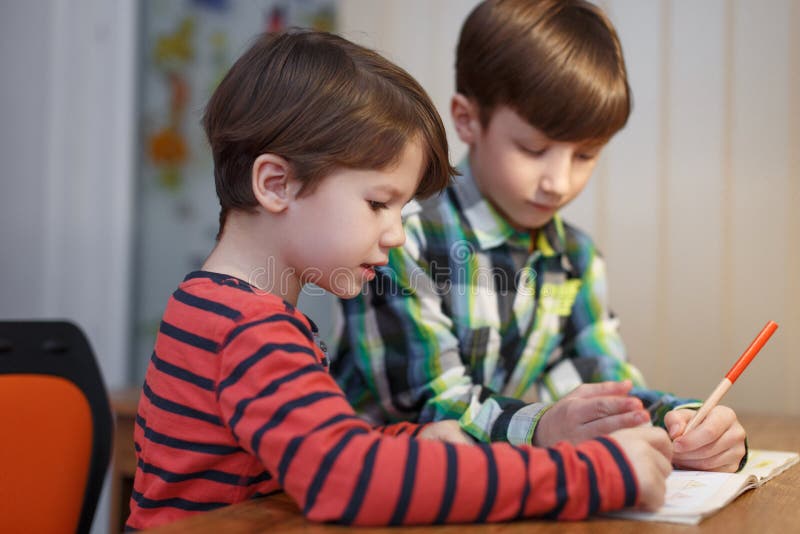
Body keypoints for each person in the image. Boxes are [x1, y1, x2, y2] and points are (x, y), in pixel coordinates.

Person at [126, 29, 674, 530]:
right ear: (276, 184)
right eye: (378, 203)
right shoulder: (248, 329)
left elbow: (313, 452)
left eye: (402, 207)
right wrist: (592, 473)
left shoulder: (222, 308)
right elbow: (346, 480)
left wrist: (410, 440)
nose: (394, 233)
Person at [333, 0, 746, 473]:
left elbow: (604, 389)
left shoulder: (575, 258)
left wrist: (683, 422)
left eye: (585, 156)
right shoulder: (400, 237)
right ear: (467, 120)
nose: (559, 181)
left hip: (475, 495)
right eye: (534, 149)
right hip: (367, 487)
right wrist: (545, 427)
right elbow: (430, 408)